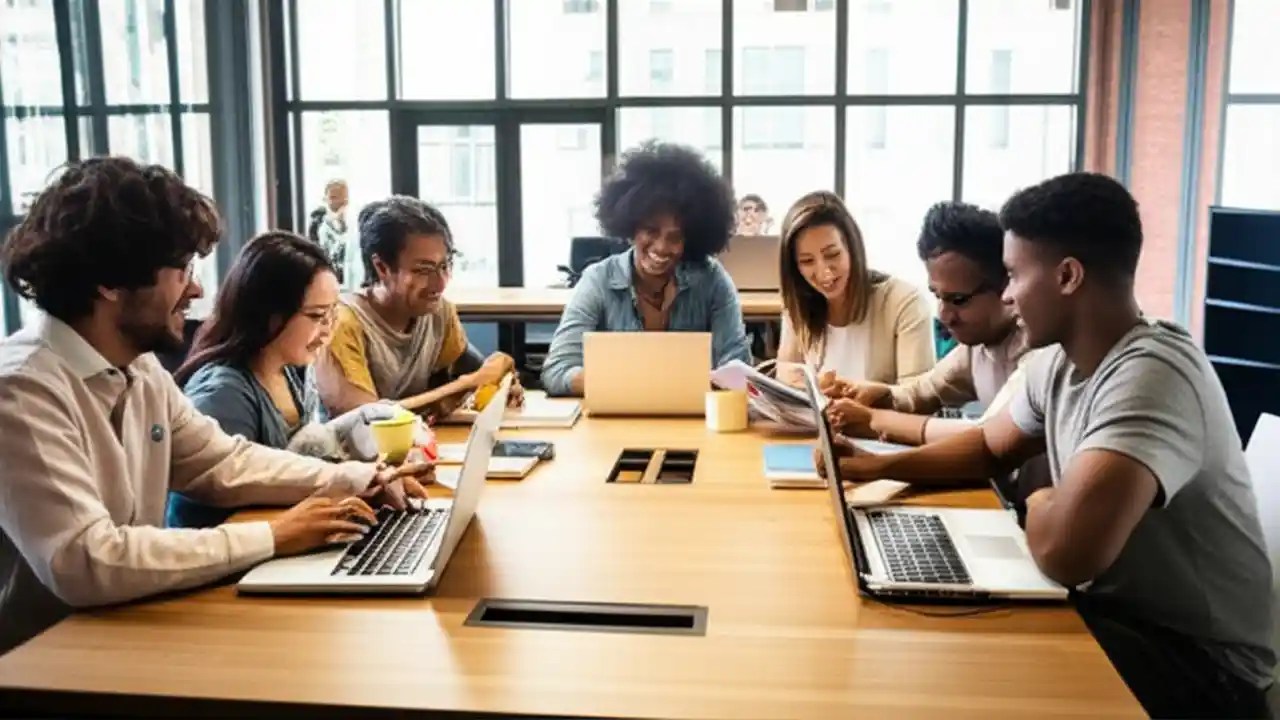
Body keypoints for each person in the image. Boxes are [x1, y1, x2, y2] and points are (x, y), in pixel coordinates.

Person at [825, 172, 1275, 718]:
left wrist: (1040, 506)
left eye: (1013, 274)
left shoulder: (1153, 375)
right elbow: (989, 450)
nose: (1008, 294)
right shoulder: (1057, 363)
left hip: (1202, 666)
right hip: (1113, 614)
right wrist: (869, 469)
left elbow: (1066, 551)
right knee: (934, 644)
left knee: (963, 678)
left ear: (1067, 276)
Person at [0, 157, 432, 656]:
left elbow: (223, 460)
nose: (198, 288)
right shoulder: (22, 389)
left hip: (120, 631)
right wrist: (275, 535)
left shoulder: (137, 370)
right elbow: (87, 560)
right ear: (109, 280)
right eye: (182, 269)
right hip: (43, 664)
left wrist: (357, 480)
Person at [170, 231, 401, 529]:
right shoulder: (223, 392)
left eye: (333, 315)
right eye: (317, 316)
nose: (328, 331)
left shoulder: (292, 369)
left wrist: (368, 482)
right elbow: (236, 497)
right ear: (270, 316)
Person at [540, 141, 752, 397]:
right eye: (651, 231)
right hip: (613, 425)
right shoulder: (598, 279)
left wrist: (642, 383)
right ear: (631, 227)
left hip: (693, 427)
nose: (662, 247)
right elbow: (557, 371)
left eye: (676, 237)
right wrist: (638, 385)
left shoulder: (712, 280)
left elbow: (738, 368)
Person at [824, 201, 1033, 446]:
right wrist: (880, 397)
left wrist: (873, 420)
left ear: (1006, 286)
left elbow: (987, 437)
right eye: (937, 295)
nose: (944, 315)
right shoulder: (976, 348)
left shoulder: (1037, 355)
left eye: (958, 300)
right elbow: (924, 391)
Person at [314, 195, 518, 419]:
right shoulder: (341, 323)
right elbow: (364, 422)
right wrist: (468, 384)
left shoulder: (438, 313)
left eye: (445, 266)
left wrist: (502, 384)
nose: (440, 283)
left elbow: (478, 374)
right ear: (382, 267)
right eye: (423, 270)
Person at [775, 190, 933, 387]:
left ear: (852, 247)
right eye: (807, 261)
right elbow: (786, 374)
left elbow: (917, 400)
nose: (824, 271)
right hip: (812, 418)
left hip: (881, 419)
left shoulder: (905, 303)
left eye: (832, 254)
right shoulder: (798, 303)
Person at [307, 179, 351, 285]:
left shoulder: (353, 222)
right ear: (325, 199)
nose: (338, 201)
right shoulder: (319, 223)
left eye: (342, 197)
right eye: (333, 197)